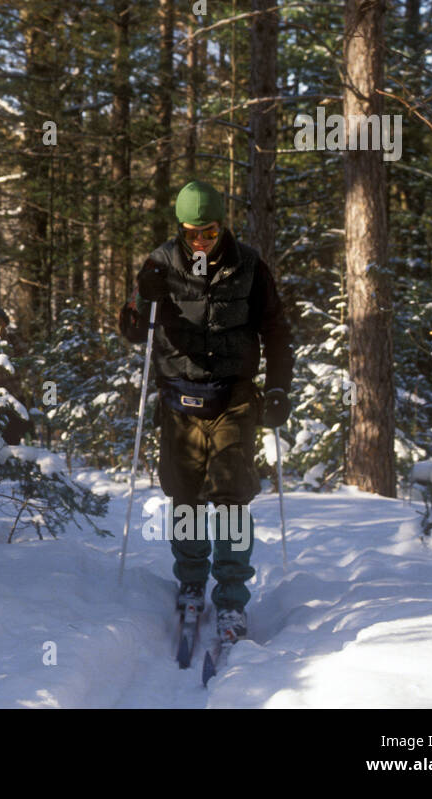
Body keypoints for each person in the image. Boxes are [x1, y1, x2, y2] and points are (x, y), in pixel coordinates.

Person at [118, 180, 294, 649]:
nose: (201, 241)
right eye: (193, 232)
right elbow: (136, 332)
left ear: (222, 226)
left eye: (210, 231)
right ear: (181, 228)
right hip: (178, 395)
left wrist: (278, 388)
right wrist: (142, 298)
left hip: (234, 396)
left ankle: (232, 597)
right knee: (186, 496)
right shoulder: (159, 262)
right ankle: (191, 583)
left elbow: (276, 332)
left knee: (231, 496)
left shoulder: (251, 267)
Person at [0, 307, 34, 446]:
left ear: (5, 323)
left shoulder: (13, 340)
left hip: (13, 391)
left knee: (14, 429)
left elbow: (24, 361)